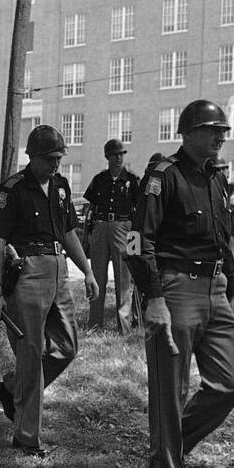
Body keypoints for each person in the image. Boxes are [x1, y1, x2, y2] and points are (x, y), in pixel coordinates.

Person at [127, 99, 234, 468]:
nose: (219, 138)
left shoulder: (216, 179)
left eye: (222, 132)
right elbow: (137, 243)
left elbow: (225, 238)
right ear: (188, 133)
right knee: (169, 392)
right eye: (213, 131)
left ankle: (172, 453)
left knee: (229, 384)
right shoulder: (164, 176)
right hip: (175, 290)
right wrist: (154, 299)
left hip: (214, 289)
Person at [0, 125, 98, 454]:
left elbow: (68, 233)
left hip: (58, 270)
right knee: (31, 355)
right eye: (50, 158)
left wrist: (88, 271)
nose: (56, 165)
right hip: (27, 273)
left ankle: (10, 388)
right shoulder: (13, 189)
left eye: (59, 158)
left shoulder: (61, 187)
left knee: (67, 346)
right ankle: (26, 436)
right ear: (32, 157)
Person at [83, 138, 140, 333]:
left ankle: (123, 326)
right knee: (97, 274)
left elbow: (139, 212)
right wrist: (88, 232)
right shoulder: (99, 179)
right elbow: (90, 207)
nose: (118, 158)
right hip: (100, 226)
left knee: (123, 277)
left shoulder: (133, 180)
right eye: (115, 155)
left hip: (123, 227)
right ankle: (94, 324)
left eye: (121, 154)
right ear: (107, 157)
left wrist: (135, 243)